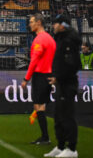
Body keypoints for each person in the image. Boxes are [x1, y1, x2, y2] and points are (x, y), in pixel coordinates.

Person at [44, 14, 81, 158]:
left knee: (67, 116)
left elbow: (73, 65)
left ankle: (72, 149)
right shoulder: (60, 40)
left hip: (68, 83)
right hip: (61, 82)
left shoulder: (69, 41)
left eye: (56, 23)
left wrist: (58, 77)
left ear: (63, 25)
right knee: (58, 116)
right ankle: (60, 146)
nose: (53, 26)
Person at [21, 12, 56, 145]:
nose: (30, 24)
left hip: (40, 75)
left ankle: (45, 137)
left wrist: (26, 78)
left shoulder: (39, 40)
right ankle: (45, 136)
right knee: (41, 106)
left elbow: (34, 61)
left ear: (39, 23)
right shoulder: (50, 39)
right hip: (49, 74)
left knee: (39, 106)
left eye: (31, 22)